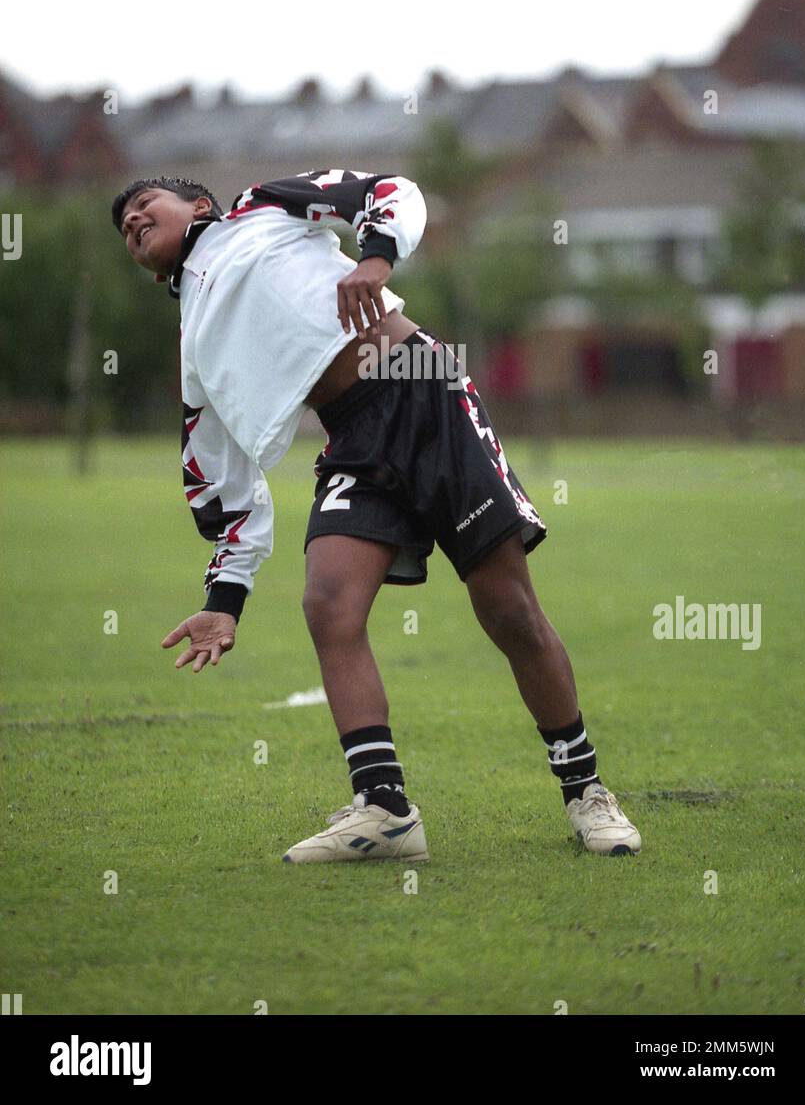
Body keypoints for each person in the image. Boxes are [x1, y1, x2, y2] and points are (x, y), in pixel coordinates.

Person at [112, 170, 641, 862]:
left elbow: (387, 190)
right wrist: (224, 600)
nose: (132, 223)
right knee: (328, 603)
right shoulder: (194, 348)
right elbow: (222, 483)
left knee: (505, 605)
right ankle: (385, 811)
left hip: (420, 389)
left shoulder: (259, 209)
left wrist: (375, 257)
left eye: (143, 206)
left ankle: (586, 791)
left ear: (200, 205)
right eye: (124, 229)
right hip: (353, 438)